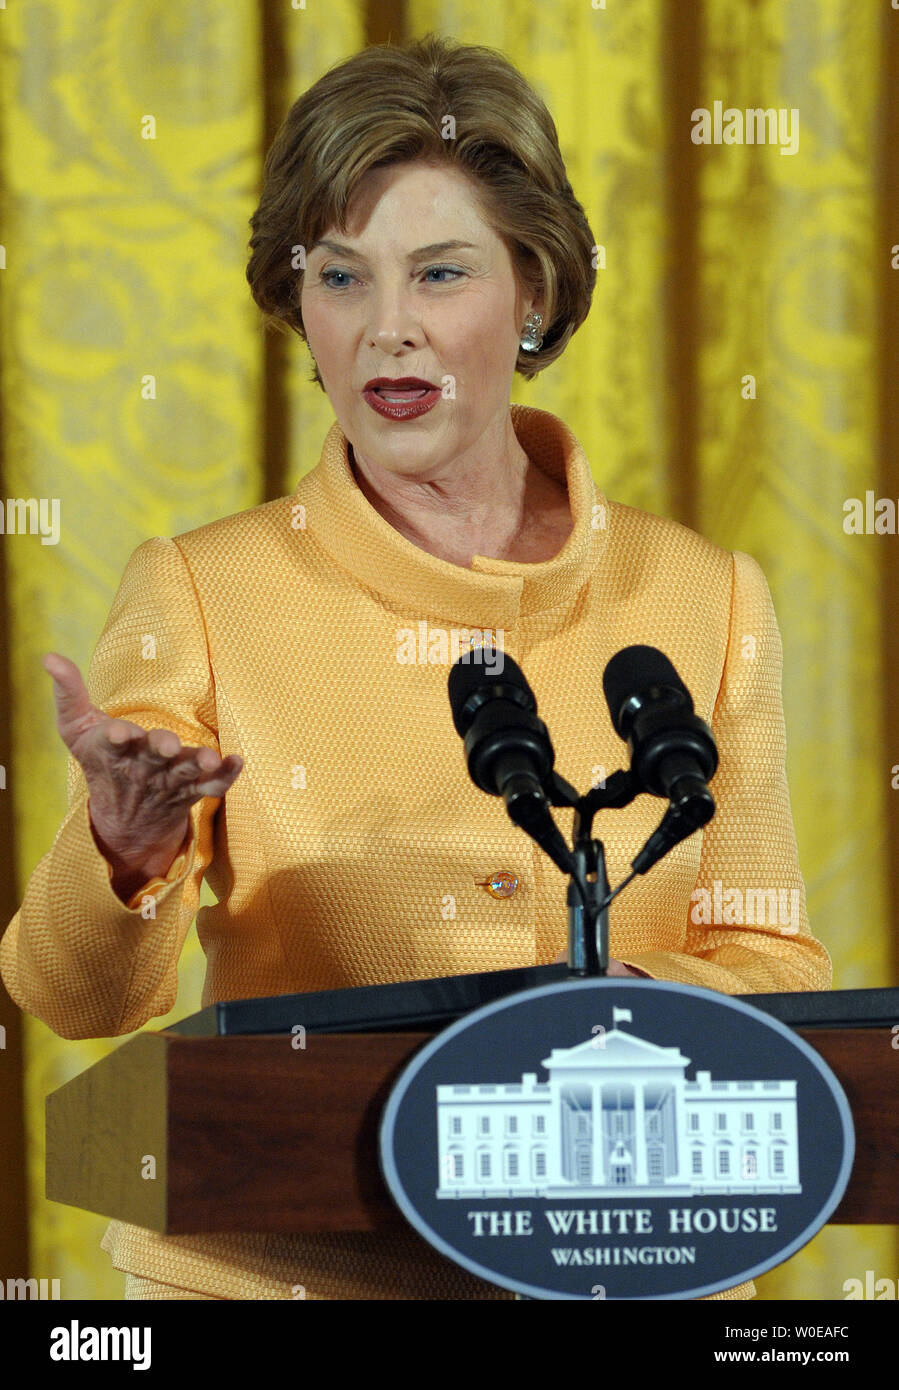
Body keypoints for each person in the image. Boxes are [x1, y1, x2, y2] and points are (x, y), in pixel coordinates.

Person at [0, 33, 830, 1301]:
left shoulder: (704, 596)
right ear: (301, 312)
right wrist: (123, 847)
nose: (388, 330)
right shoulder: (204, 588)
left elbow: (772, 962)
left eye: (439, 273)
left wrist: (625, 1001)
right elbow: (73, 997)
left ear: (535, 292)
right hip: (271, 1281)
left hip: (618, 1275)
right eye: (340, 278)